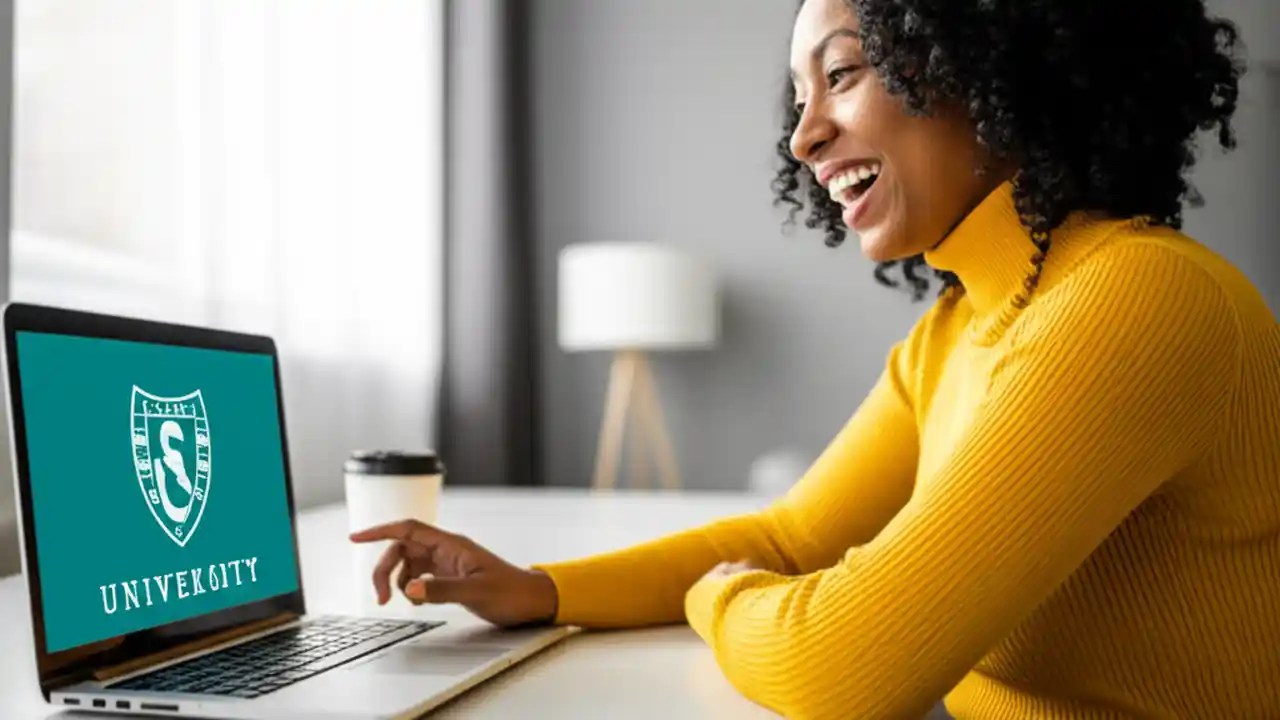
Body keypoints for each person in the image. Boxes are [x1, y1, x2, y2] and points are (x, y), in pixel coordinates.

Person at [351, 0, 1280, 717]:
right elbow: (791, 540)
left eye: (840, 75)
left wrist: (722, 601)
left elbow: (844, 666)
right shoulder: (951, 333)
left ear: (987, 56)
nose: (803, 140)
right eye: (799, 101)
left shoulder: (1142, 299)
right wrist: (543, 590)